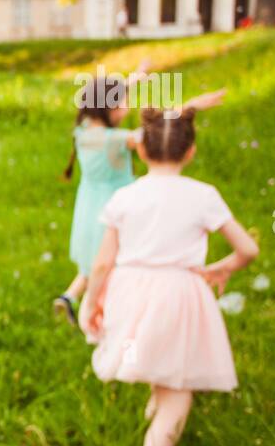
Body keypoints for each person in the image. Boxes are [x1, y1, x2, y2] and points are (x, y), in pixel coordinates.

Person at [81, 107, 258, 446]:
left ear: (141, 150)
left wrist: (91, 302)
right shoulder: (203, 196)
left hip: (130, 292)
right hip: (180, 294)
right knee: (179, 390)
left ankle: (153, 413)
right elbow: (248, 248)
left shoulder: (125, 197)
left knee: (152, 352)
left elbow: (102, 262)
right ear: (190, 151)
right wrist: (220, 268)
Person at [55, 61, 225, 324]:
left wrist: (134, 78)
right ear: (108, 109)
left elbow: (101, 95)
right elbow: (157, 130)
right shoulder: (116, 139)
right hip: (115, 206)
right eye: (123, 103)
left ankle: (72, 298)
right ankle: (105, 313)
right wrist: (192, 106)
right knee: (111, 266)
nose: (128, 107)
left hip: (89, 205)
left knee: (94, 260)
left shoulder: (84, 128)